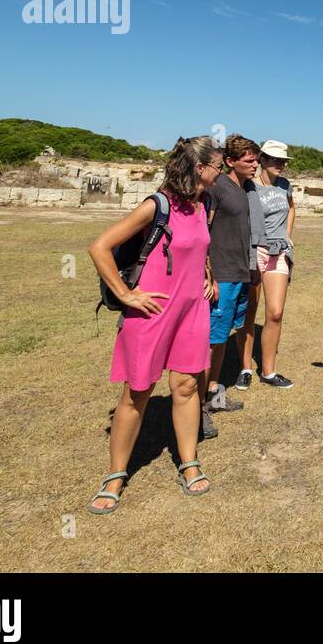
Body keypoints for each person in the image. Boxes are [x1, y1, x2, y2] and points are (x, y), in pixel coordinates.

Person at [86, 136, 223, 513]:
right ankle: (115, 474)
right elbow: (99, 247)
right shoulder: (156, 205)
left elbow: (198, 247)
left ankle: (189, 461)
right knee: (137, 392)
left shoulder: (205, 203)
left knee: (185, 387)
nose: (221, 173)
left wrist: (207, 274)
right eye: (217, 167)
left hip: (192, 311)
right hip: (151, 312)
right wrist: (127, 295)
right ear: (199, 169)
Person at [200, 134, 260, 438]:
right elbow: (203, 228)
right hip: (221, 275)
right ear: (230, 161)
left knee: (222, 339)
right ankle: (196, 409)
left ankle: (214, 394)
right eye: (249, 160)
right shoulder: (218, 186)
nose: (255, 164)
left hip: (239, 273)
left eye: (256, 159)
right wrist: (207, 272)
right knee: (210, 342)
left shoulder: (245, 189)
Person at [239, 139, 295, 389]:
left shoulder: (285, 185)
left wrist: (288, 234)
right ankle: (245, 368)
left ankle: (269, 371)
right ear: (262, 159)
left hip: (279, 252)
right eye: (274, 159)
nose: (280, 164)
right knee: (250, 311)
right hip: (255, 251)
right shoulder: (249, 186)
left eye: (283, 160)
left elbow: (291, 208)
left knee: (275, 312)